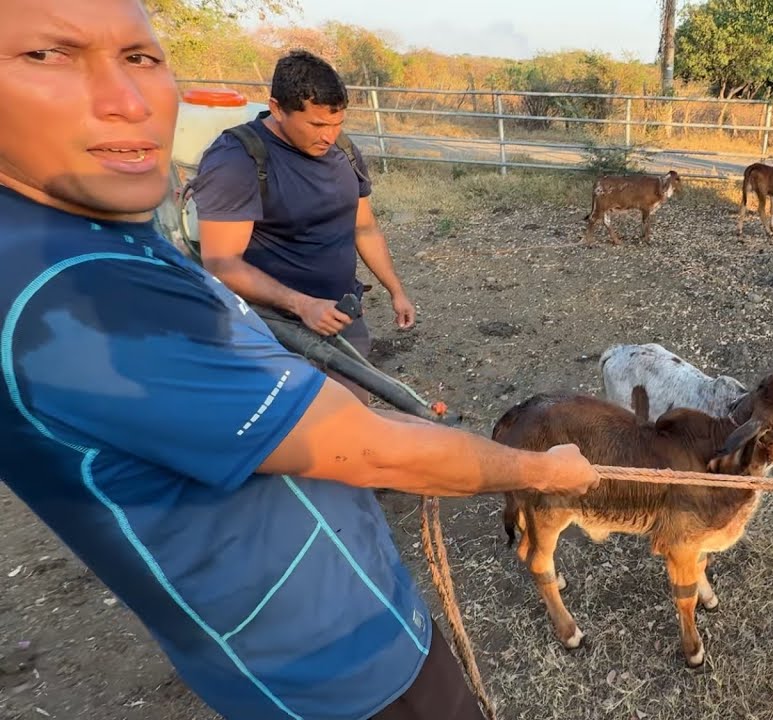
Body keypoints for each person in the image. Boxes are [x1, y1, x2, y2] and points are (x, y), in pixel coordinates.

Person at [0, 1, 599, 719]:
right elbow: (363, 446)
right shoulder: (75, 295)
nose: (125, 101)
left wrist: (391, 296)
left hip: (350, 593)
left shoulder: (105, 238)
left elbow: (358, 241)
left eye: (141, 57)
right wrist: (539, 472)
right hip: (324, 672)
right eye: (47, 55)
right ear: (277, 111)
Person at [190, 49, 412, 404]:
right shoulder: (237, 160)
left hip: (340, 318)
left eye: (337, 123)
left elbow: (365, 228)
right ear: (277, 109)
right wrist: (301, 304)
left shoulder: (343, 150)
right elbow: (221, 262)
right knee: (292, 434)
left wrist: (395, 289)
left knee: (355, 419)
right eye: (317, 125)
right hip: (272, 330)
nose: (329, 135)